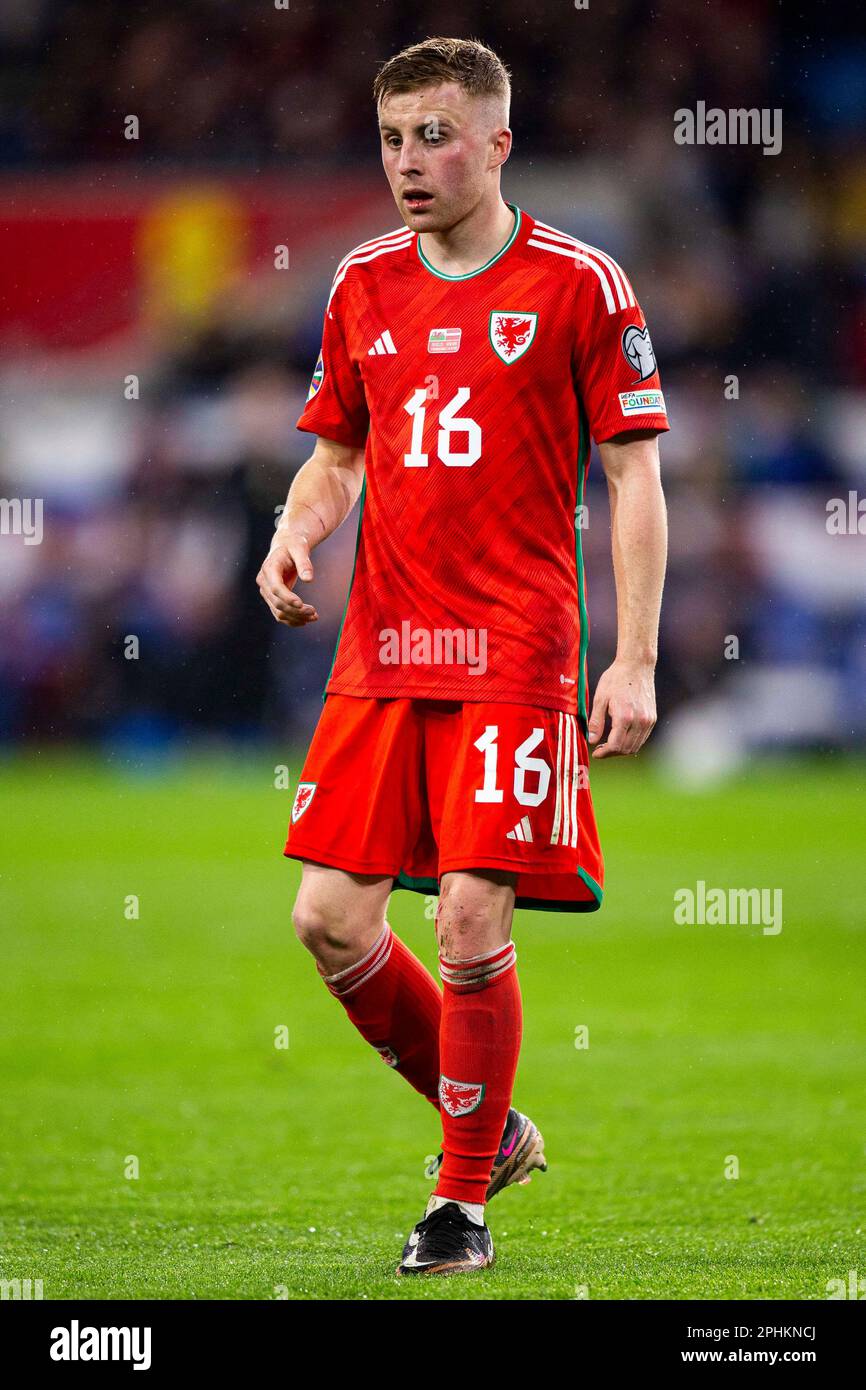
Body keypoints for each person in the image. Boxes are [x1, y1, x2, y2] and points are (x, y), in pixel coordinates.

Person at [257, 35, 668, 1277]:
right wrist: (293, 534)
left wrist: (635, 656)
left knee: (471, 918)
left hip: (512, 649)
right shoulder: (361, 282)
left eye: (434, 135)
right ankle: (490, 1128)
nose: (408, 162)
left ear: (496, 143)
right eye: (390, 138)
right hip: (382, 648)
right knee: (326, 920)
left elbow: (632, 474)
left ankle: (458, 1207)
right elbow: (337, 454)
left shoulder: (580, 283)